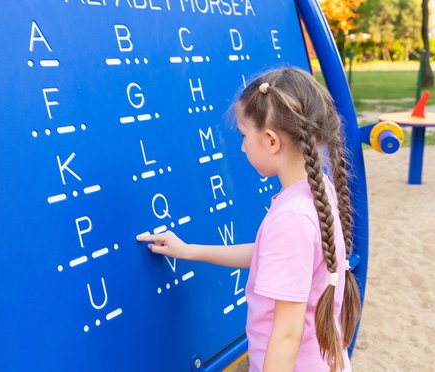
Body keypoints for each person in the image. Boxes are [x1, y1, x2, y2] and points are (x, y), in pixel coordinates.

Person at [137, 67, 361, 372]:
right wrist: (190, 250)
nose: (242, 146)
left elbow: (286, 335)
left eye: (244, 135)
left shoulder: (292, 218)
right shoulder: (317, 191)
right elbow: (269, 257)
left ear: (270, 141)